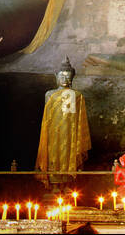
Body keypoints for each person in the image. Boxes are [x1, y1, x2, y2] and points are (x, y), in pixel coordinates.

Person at [35, 57, 91, 185]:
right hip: (53, 132)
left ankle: (68, 184)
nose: (65, 79)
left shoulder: (77, 95)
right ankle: (53, 185)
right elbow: (46, 118)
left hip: (70, 133)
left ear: (72, 78)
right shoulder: (49, 94)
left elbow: (79, 118)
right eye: (62, 76)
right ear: (56, 76)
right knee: (53, 158)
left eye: (68, 76)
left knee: (69, 156)